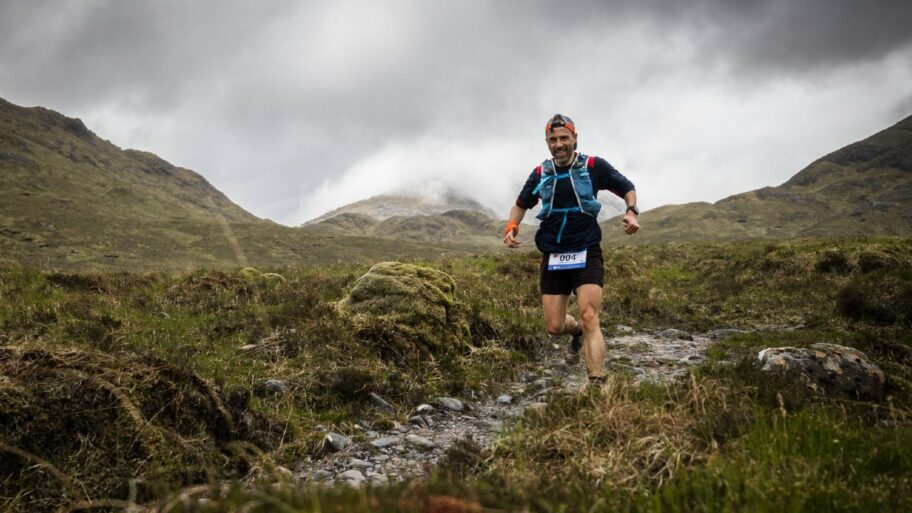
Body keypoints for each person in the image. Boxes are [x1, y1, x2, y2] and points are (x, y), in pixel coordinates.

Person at [503, 114, 639, 384]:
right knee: (554, 326)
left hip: (586, 248)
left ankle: (596, 384)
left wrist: (632, 211)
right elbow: (521, 203)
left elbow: (626, 187)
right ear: (547, 143)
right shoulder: (541, 173)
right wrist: (512, 226)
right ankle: (575, 333)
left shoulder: (593, 166)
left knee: (589, 315)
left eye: (564, 138)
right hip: (553, 251)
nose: (559, 144)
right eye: (553, 140)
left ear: (574, 138)